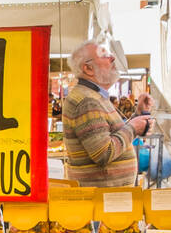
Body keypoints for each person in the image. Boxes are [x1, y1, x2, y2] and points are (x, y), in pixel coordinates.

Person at [62, 41, 147, 187]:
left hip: (107, 197)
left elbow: (110, 134)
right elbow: (103, 153)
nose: (113, 58)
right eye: (105, 55)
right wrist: (133, 128)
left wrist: (137, 115)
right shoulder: (87, 100)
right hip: (102, 198)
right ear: (88, 68)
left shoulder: (94, 96)